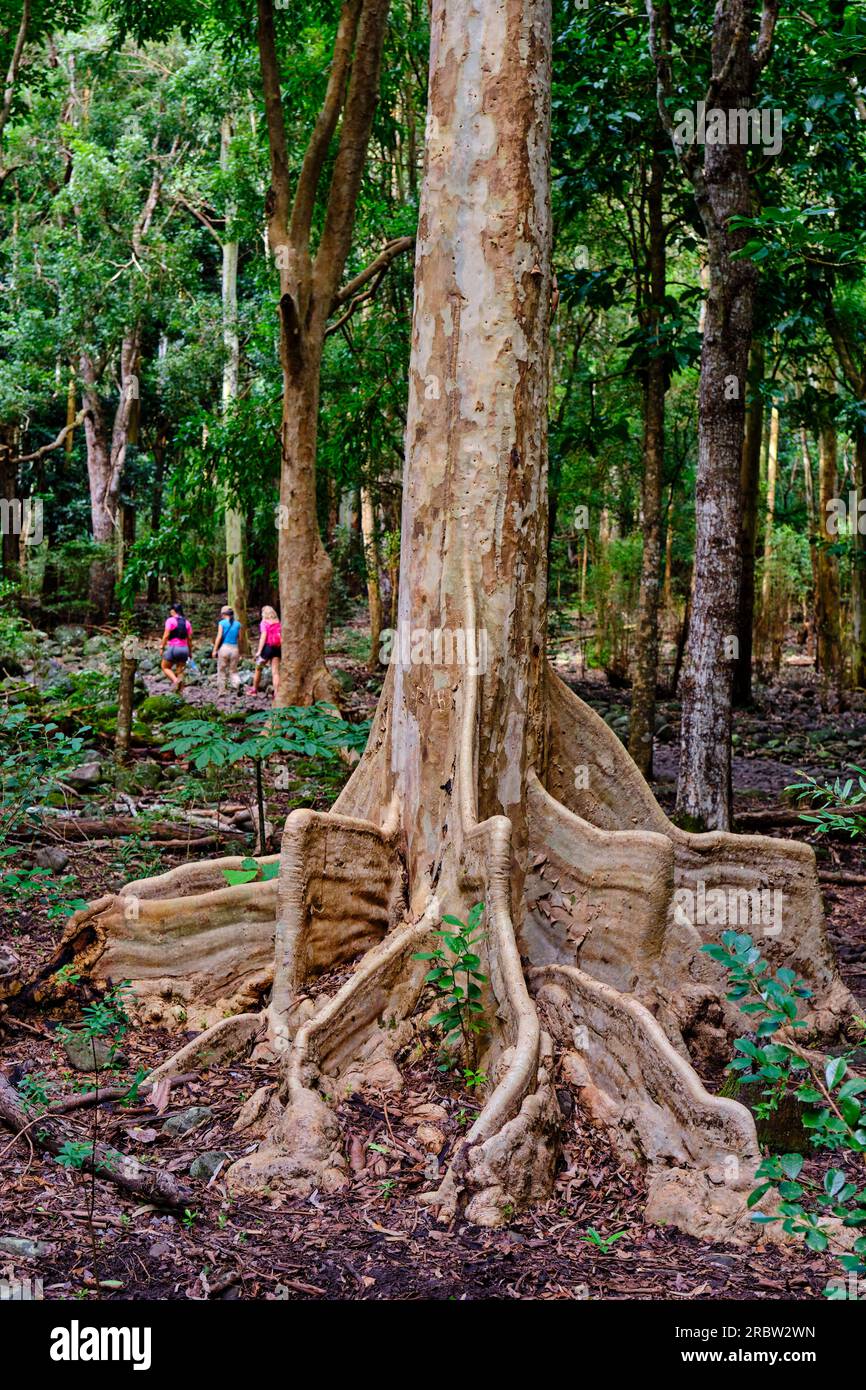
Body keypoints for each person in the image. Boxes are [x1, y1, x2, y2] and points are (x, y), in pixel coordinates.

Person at [250, 604, 281, 699]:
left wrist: (259, 651)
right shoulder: (278, 622)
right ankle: (277, 694)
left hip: (267, 649)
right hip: (277, 648)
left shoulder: (264, 623)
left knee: (258, 668)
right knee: (275, 672)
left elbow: (263, 637)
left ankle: (254, 690)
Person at [212, 605, 242, 696]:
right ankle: (237, 684)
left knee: (221, 670)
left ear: (223, 614)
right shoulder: (238, 624)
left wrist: (215, 649)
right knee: (233, 671)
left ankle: (222, 691)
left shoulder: (222, 623)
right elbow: (240, 638)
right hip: (234, 649)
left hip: (224, 648)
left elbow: (219, 636)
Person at [160, 604, 192, 690]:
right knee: (180, 670)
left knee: (165, 667)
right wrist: (190, 653)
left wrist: (162, 647)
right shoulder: (187, 623)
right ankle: (179, 692)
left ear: (173, 611)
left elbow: (166, 635)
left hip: (174, 648)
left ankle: (175, 680)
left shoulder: (170, 621)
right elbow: (189, 639)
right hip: (184, 649)